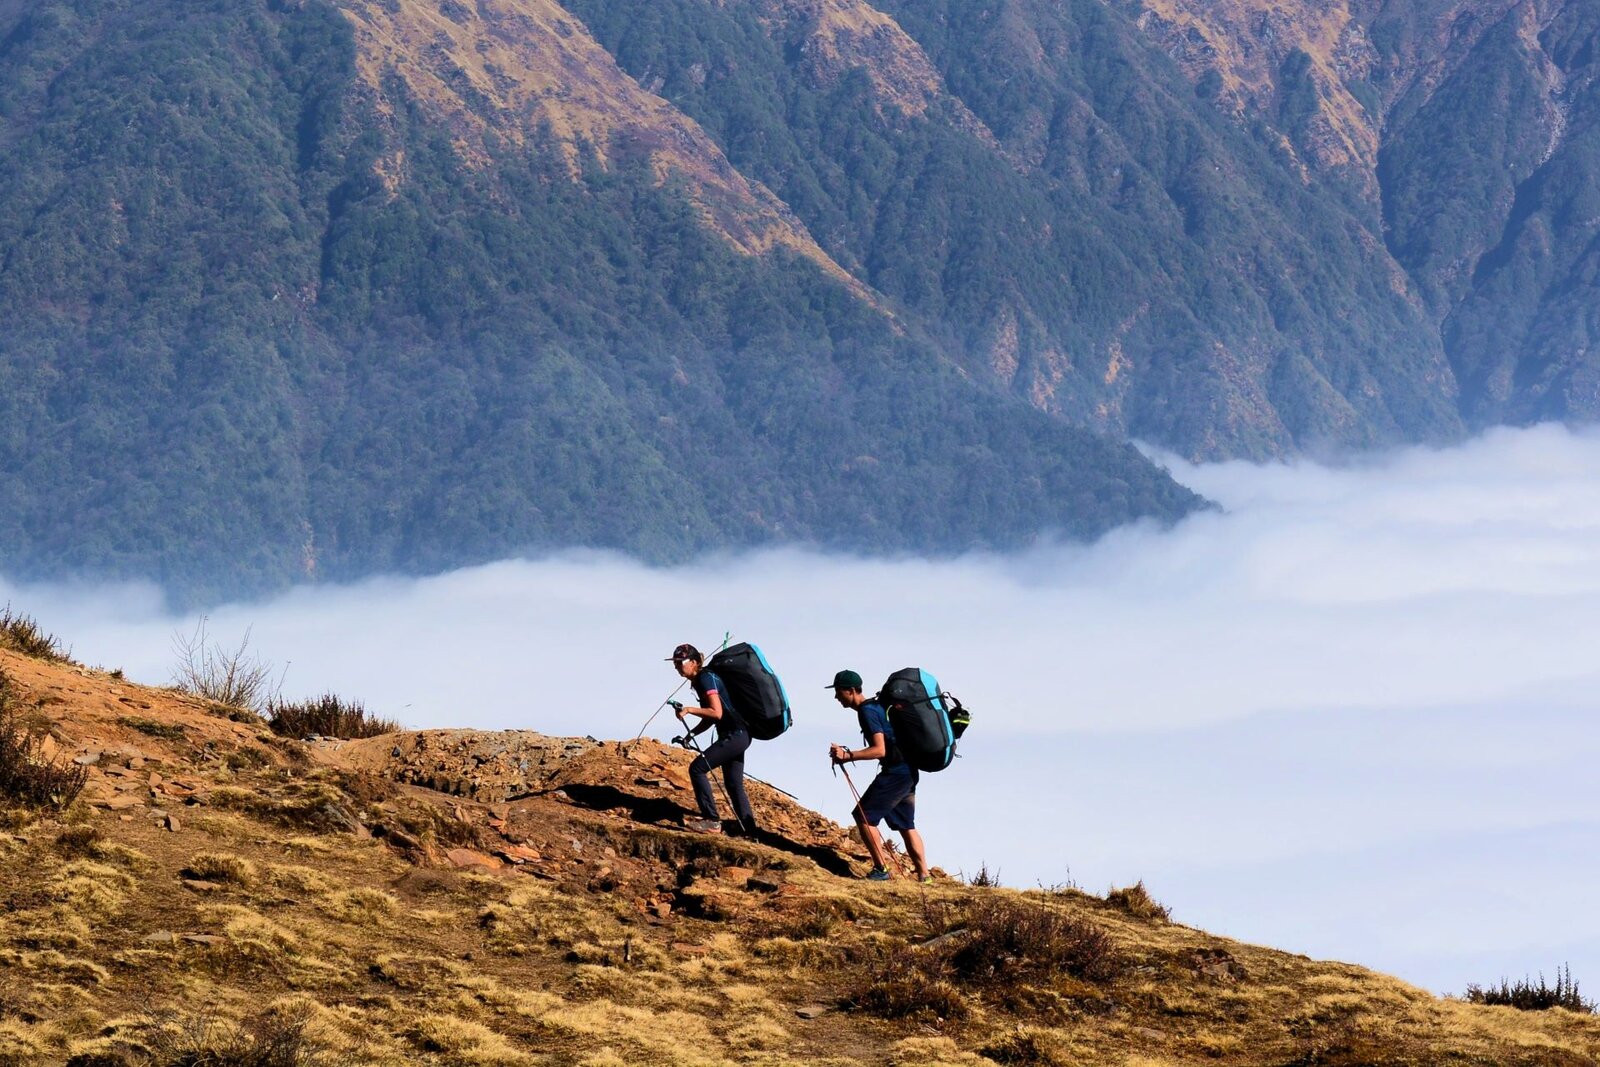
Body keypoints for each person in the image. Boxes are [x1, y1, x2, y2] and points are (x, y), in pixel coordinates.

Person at [828, 669, 931, 882]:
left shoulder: (867, 711)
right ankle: (924, 876)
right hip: (909, 771)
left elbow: (879, 750)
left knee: (863, 816)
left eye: (839, 692)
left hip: (896, 772)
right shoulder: (877, 706)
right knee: (905, 825)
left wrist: (847, 756)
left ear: (852, 691)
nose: (837, 697)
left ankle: (881, 869)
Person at [668, 643, 756, 835]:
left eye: (680, 662)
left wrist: (690, 709)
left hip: (735, 734)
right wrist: (691, 735)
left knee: (697, 768)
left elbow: (716, 713)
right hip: (738, 734)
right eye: (675, 663)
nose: (676, 667)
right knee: (733, 784)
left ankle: (712, 821)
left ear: (693, 662)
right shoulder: (703, 679)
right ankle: (749, 830)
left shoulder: (706, 678)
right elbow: (712, 716)